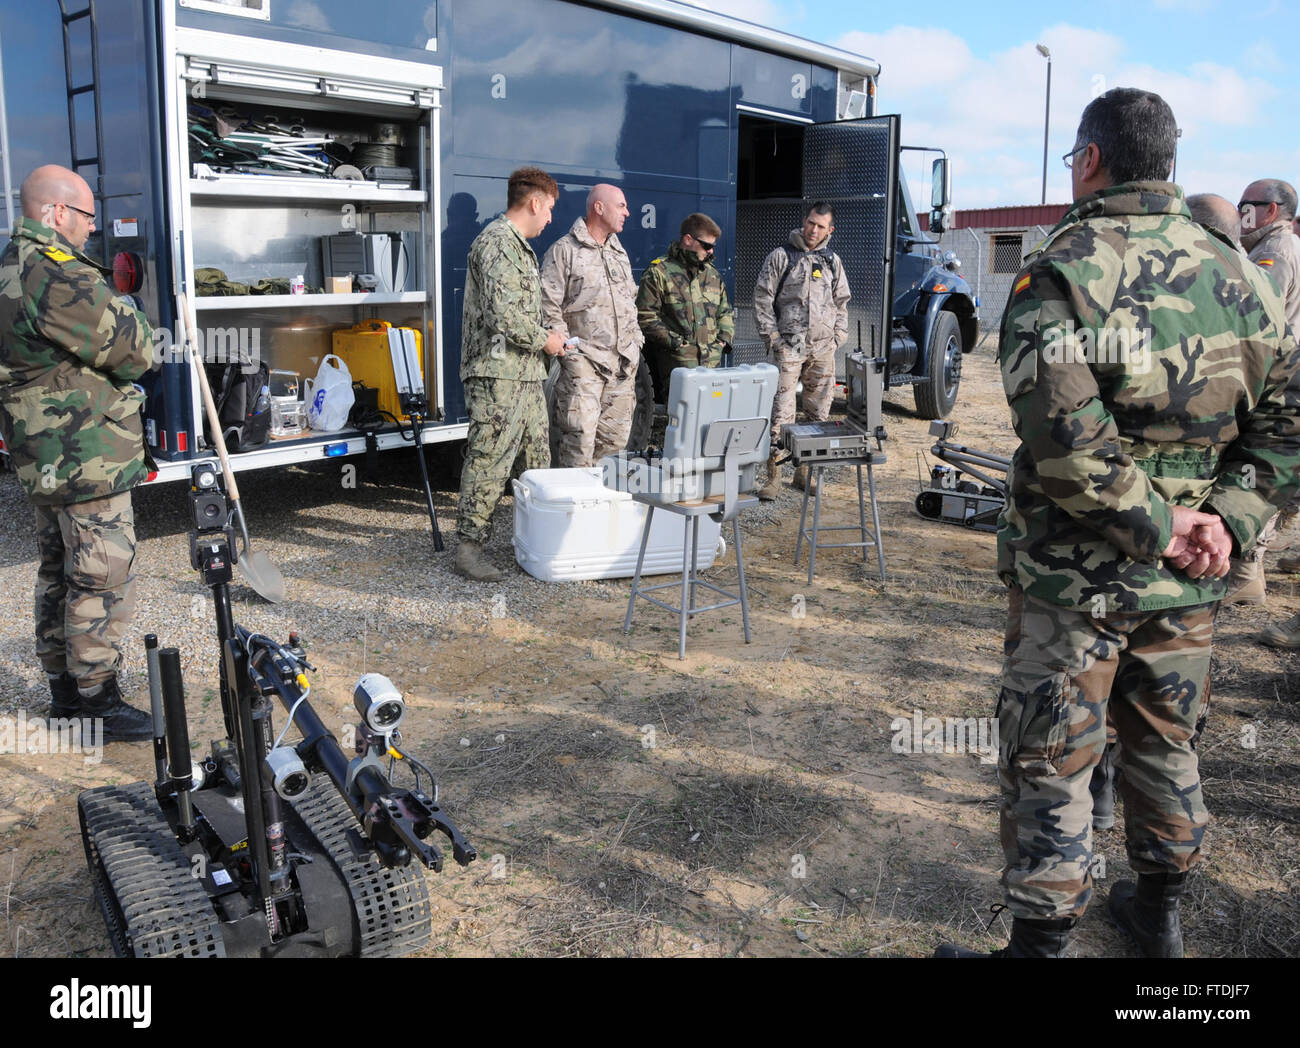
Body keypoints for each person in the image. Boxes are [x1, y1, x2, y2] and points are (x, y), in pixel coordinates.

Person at [936, 89, 1300, 959]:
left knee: (1053, 753)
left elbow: (1064, 443)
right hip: (1189, 580)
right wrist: (1225, 522)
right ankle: (1159, 915)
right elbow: (1284, 428)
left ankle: (1044, 948)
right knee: (1167, 741)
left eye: (1071, 160)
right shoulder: (1244, 277)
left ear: (1091, 159)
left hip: (1076, 579)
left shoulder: (1059, 270)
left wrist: (1168, 525)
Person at [0, 165, 156, 741]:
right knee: (101, 574)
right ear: (56, 213)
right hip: (85, 455)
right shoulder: (53, 272)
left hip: (42, 456)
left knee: (57, 573)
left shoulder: (9, 266)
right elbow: (135, 348)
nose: (92, 229)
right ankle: (98, 700)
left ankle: (64, 693)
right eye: (87, 216)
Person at [454, 166, 566, 582]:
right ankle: (469, 549)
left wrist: (548, 337)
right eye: (550, 208)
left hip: (523, 375)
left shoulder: (517, 246)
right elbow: (504, 316)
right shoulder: (498, 244)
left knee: (536, 459)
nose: (551, 218)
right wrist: (546, 340)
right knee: (488, 460)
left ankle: (534, 539)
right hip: (496, 374)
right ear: (534, 202)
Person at [1222, 180, 1300, 608]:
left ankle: (1247, 574)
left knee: (1257, 473)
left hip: (1279, 377)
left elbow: (1252, 314)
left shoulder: (1276, 254)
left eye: (1245, 207)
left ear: (1270, 211)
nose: (1239, 214)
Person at [540, 184, 643, 467]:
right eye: (621, 206)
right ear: (599, 208)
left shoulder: (617, 250)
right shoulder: (564, 251)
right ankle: (573, 509)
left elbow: (628, 302)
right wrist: (570, 355)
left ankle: (600, 508)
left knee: (614, 447)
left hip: (622, 366)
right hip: (584, 367)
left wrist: (634, 345)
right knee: (579, 443)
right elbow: (548, 306)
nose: (628, 212)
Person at [752, 202, 850, 498]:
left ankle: (804, 473)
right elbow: (762, 299)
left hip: (822, 350)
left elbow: (842, 301)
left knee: (818, 414)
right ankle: (773, 477)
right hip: (789, 348)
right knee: (782, 414)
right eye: (810, 223)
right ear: (803, 222)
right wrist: (774, 340)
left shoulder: (832, 260)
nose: (813, 230)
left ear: (829, 230)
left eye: (820, 226)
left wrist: (838, 337)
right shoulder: (782, 256)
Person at [636, 213, 733, 401]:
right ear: (688, 239)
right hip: (679, 368)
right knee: (682, 421)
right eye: (707, 246)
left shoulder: (712, 275)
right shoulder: (659, 273)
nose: (711, 251)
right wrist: (677, 345)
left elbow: (725, 312)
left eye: (713, 246)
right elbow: (646, 316)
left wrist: (723, 341)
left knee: (712, 417)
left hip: (711, 368)